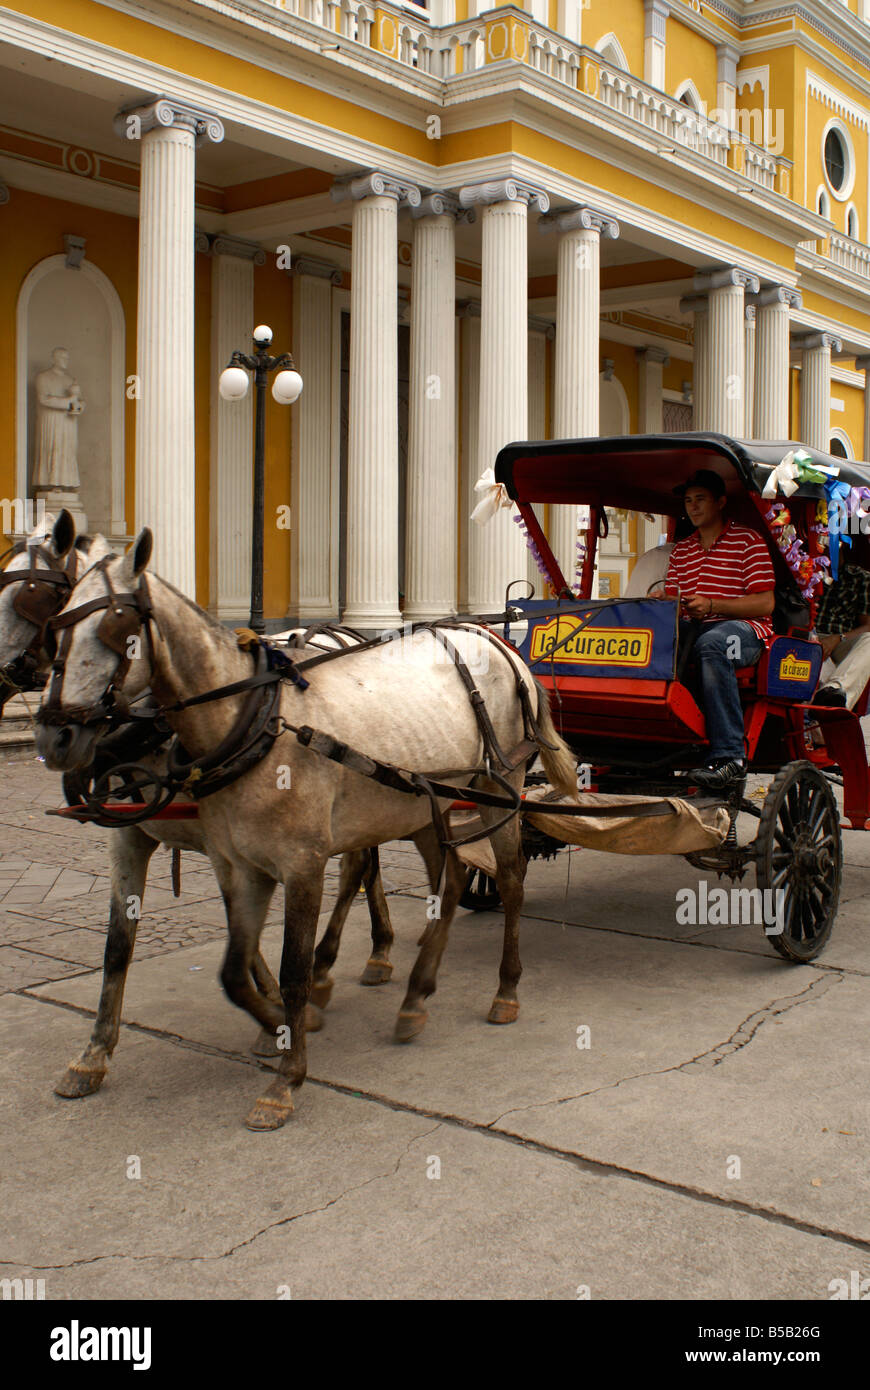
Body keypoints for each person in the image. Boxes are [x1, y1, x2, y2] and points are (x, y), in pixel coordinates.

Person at [653, 469, 775, 790]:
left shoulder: (748, 541)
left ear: (720, 502)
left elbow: (764, 604)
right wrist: (666, 601)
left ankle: (730, 755)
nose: (693, 507)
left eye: (700, 500)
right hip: (694, 627)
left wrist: (713, 605)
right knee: (651, 641)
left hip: (745, 631)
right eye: (689, 501)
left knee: (713, 644)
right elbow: (678, 601)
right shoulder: (682, 550)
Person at [812, 561, 870, 708]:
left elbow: (868, 625)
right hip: (808, 635)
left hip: (842, 639)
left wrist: (838, 638)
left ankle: (835, 691)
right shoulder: (802, 567)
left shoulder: (860, 576)